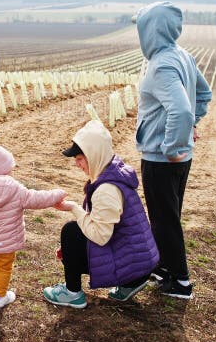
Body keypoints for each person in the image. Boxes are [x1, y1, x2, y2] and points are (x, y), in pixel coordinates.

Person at [134, 1, 212, 300]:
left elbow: (180, 110)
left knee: (165, 218)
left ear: (151, 30)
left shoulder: (162, 65)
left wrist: (173, 145)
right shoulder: (183, 56)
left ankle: (180, 282)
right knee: (167, 215)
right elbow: (203, 94)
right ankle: (164, 267)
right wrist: (189, 130)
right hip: (179, 157)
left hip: (162, 157)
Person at [43, 120, 159, 308]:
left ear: (94, 155)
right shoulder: (115, 173)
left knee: (71, 232)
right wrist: (72, 252)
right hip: (139, 262)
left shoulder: (107, 190)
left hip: (134, 266)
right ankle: (130, 284)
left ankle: (72, 293)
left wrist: (74, 209)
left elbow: (100, 236)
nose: (76, 164)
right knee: (74, 240)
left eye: (80, 159)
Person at [0, 137, 66, 308]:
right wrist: (57, 194)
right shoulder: (15, 188)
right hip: (7, 243)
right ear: (5, 170)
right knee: (4, 268)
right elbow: (36, 199)